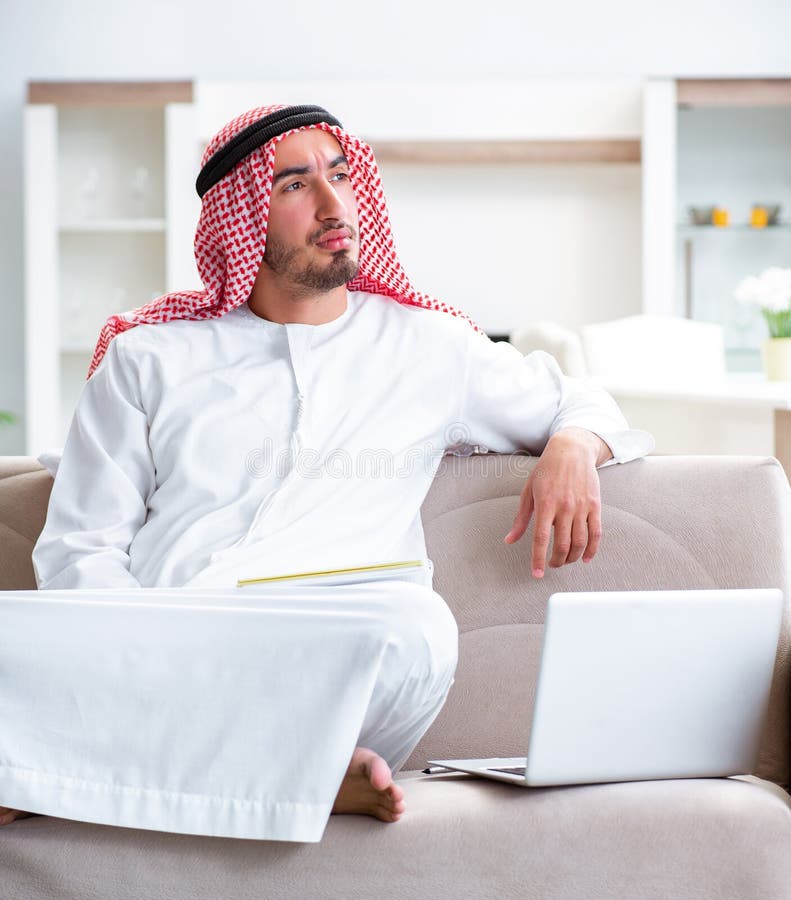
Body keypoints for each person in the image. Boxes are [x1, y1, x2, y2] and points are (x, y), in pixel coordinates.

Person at [1, 105, 653, 840]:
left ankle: (71, 773)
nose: (334, 204)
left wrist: (572, 446)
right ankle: (296, 776)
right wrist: (130, 653)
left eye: (341, 175)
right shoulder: (148, 357)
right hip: (170, 628)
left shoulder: (430, 345)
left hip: (339, 631)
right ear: (240, 214)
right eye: (293, 185)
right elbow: (79, 550)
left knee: (413, 629)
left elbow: (581, 399)